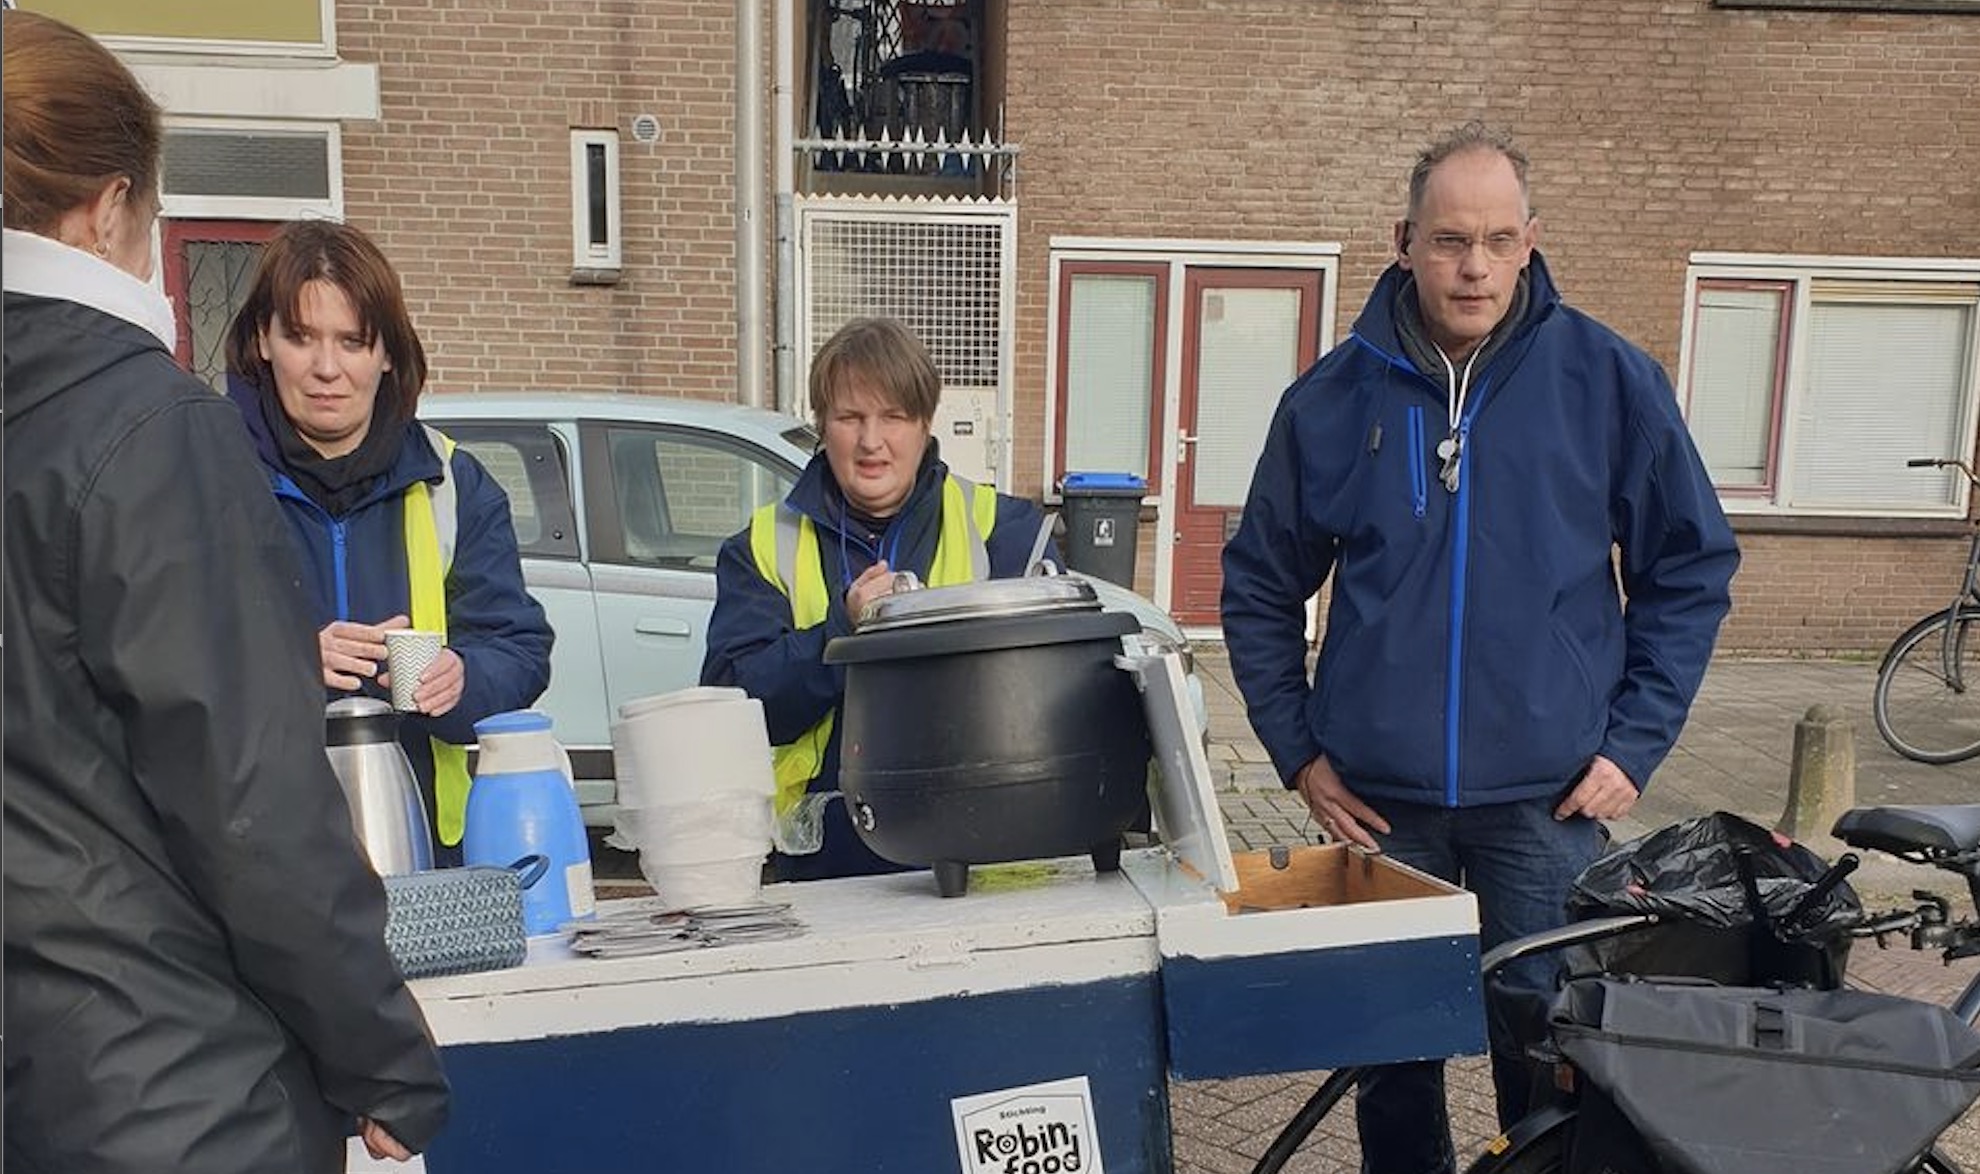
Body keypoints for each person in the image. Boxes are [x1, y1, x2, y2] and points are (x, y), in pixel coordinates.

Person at [1220, 122, 1740, 1174]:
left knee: (1550, 1053)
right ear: (1404, 239)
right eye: (1452, 239)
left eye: (1499, 240)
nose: (1474, 266)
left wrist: (1634, 742)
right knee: (1391, 1056)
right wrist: (1298, 753)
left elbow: (1690, 566)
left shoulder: (1609, 382)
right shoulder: (1331, 399)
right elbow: (1258, 584)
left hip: (1544, 806)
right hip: (1378, 802)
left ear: (1531, 241)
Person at [2, 10, 450, 1172]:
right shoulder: (150, 432)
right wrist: (382, 1055)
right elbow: (251, 807)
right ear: (109, 209)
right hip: (172, 1089)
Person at [223, 219, 554, 863]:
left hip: (423, 847)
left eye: (352, 342)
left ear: (388, 354)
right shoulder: (204, 473)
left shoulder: (453, 481)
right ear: (263, 339)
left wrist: (463, 677)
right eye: (301, 337)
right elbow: (151, 656)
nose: (326, 368)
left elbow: (519, 646)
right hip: (252, 856)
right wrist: (283, 664)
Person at [701, 316, 1063, 881]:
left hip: (988, 861)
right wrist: (842, 635)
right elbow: (732, 715)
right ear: (822, 425)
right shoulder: (762, 545)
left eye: (893, 417)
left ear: (925, 424)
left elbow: (1058, 696)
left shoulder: (1008, 531)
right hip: (827, 868)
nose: (872, 442)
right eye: (850, 418)